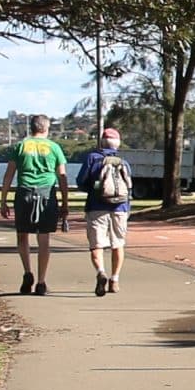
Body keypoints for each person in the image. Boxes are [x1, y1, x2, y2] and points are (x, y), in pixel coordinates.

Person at [0, 113, 70, 295]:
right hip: (46, 193)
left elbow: (9, 175)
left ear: (31, 128)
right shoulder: (54, 147)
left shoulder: (21, 146)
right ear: (46, 128)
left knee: (22, 235)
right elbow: (62, 177)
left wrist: (3, 200)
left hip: (24, 192)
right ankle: (41, 281)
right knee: (44, 238)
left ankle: (27, 271)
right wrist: (64, 203)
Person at [77, 124, 136, 296]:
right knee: (118, 243)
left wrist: (92, 189)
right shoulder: (123, 162)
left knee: (97, 244)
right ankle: (115, 279)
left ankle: (101, 272)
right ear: (117, 145)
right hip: (120, 207)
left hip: (96, 206)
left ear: (102, 142)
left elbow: (81, 181)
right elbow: (129, 186)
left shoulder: (92, 158)